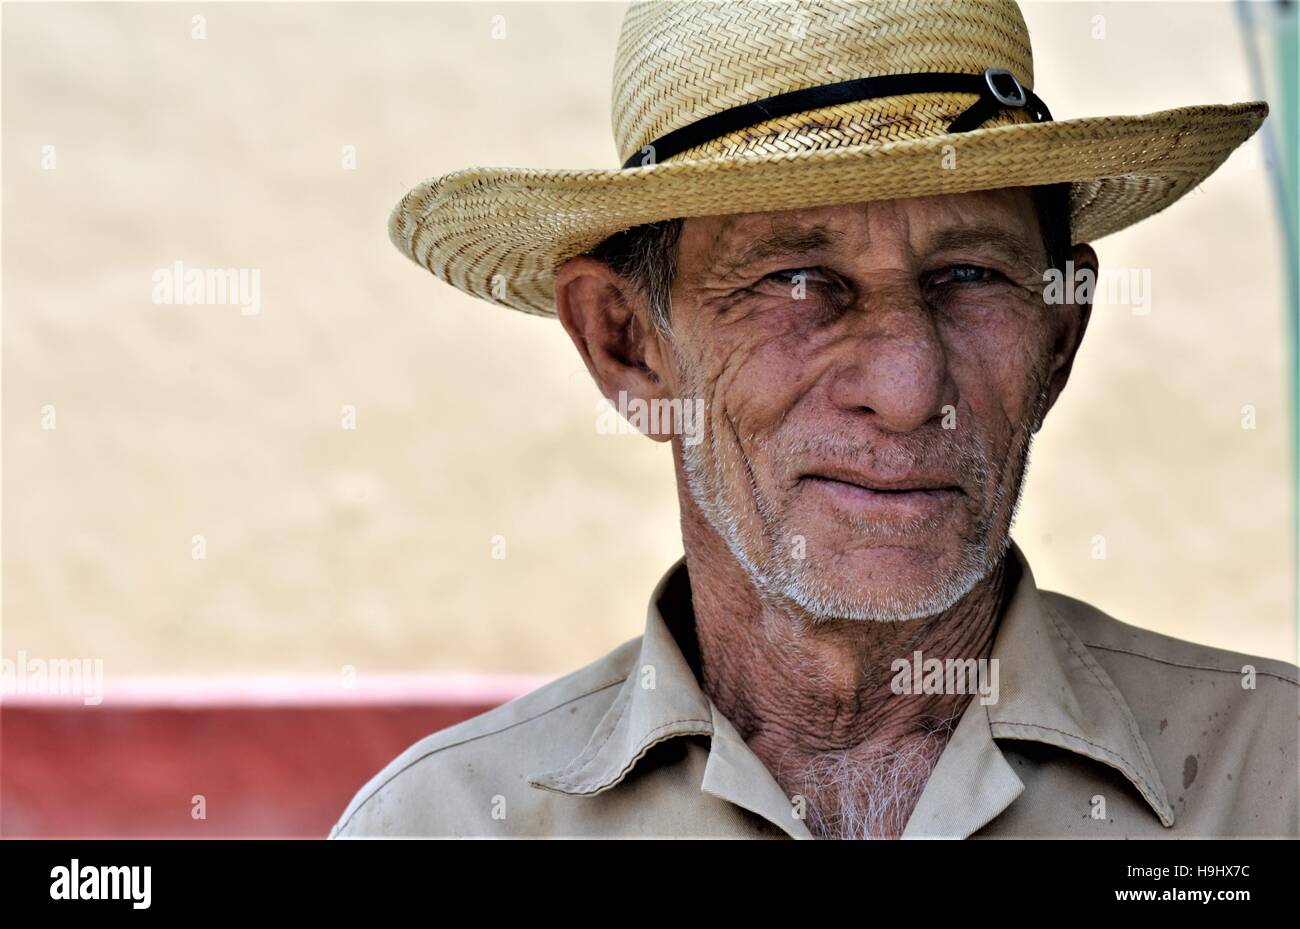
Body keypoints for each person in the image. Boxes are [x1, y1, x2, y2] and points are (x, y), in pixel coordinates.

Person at [331, 0, 1297, 838]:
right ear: (627, 343)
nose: (910, 385)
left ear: (1060, 330)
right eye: (797, 282)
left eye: (971, 276)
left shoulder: (1269, 789)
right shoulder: (447, 828)